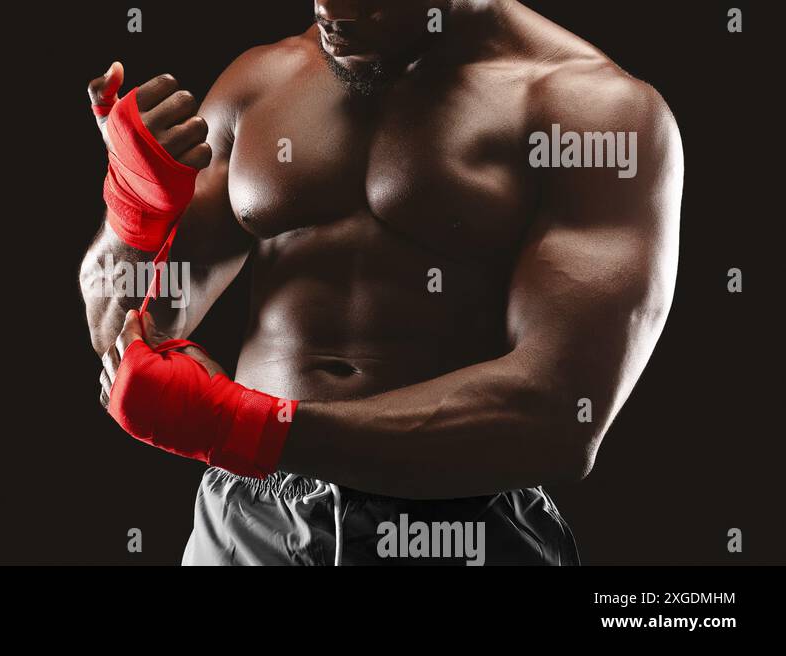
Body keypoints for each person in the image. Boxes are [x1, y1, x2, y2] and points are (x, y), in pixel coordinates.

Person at [80, 0, 682, 565]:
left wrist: (244, 425)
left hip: (454, 533)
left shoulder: (592, 113)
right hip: (249, 523)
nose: (332, 12)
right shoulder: (260, 81)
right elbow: (128, 334)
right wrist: (133, 211)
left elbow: (560, 415)